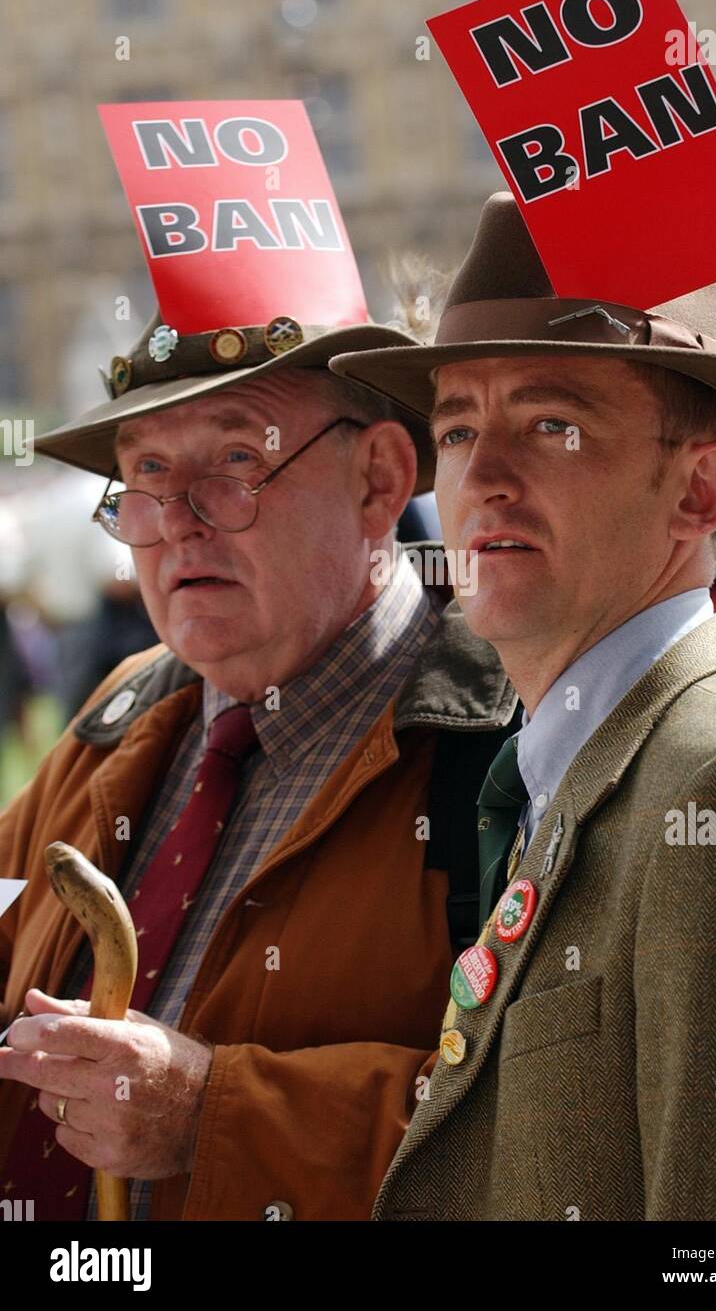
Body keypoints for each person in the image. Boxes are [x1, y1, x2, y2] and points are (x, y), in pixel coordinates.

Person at [330, 190, 716, 1221]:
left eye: (552, 423)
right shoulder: (581, 748)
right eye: (459, 427)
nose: (484, 477)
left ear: (700, 494)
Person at [0, 299, 518, 1221]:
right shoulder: (125, 709)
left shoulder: (512, 750)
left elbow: (561, 1136)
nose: (179, 523)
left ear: (380, 479)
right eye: (146, 476)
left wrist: (212, 1117)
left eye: (236, 462)